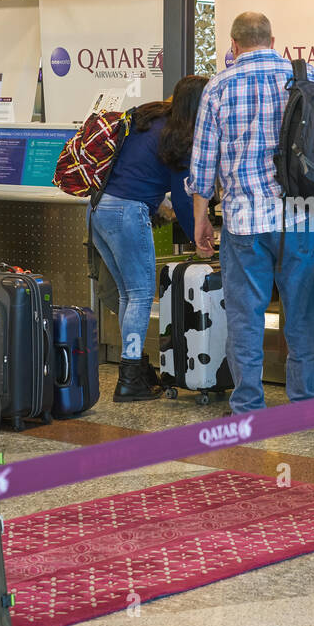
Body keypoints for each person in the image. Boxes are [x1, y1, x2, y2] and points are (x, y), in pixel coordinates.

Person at [187, 11, 314, 414]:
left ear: (234, 45)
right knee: (301, 311)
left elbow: (203, 164)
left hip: (245, 223)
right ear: (273, 39)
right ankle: (304, 399)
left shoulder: (218, 87)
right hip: (300, 216)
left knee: (246, 316)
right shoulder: (305, 75)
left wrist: (200, 218)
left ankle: (248, 403)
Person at [91, 75, 205, 401]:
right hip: (126, 213)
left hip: (98, 207)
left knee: (130, 294)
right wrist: (198, 236)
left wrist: (162, 203)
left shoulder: (149, 116)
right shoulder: (181, 136)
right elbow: (185, 199)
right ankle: (128, 381)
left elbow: (137, 170)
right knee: (140, 295)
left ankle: (135, 370)